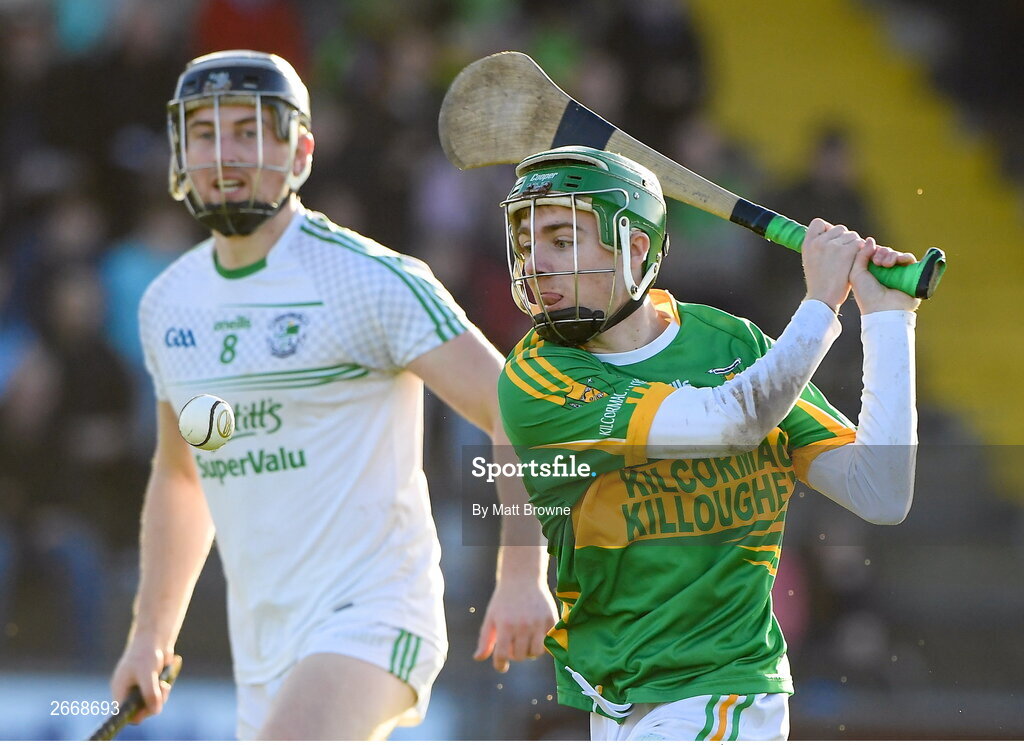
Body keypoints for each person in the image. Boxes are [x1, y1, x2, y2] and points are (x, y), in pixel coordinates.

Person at [110, 50, 556, 740]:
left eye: (249, 130)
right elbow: (182, 476)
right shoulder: (169, 304)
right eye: (204, 133)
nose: (224, 153)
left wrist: (523, 568)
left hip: (375, 615)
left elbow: (515, 405)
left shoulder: (369, 280)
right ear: (179, 153)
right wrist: (150, 636)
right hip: (262, 650)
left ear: (300, 152)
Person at [495, 145, 919, 740]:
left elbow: (880, 492)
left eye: (563, 241)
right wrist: (820, 304)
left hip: (725, 693)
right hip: (613, 704)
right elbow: (730, 424)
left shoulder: (733, 345)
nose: (537, 263)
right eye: (526, 244)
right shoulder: (537, 377)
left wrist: (888, 319)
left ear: (635, 248)